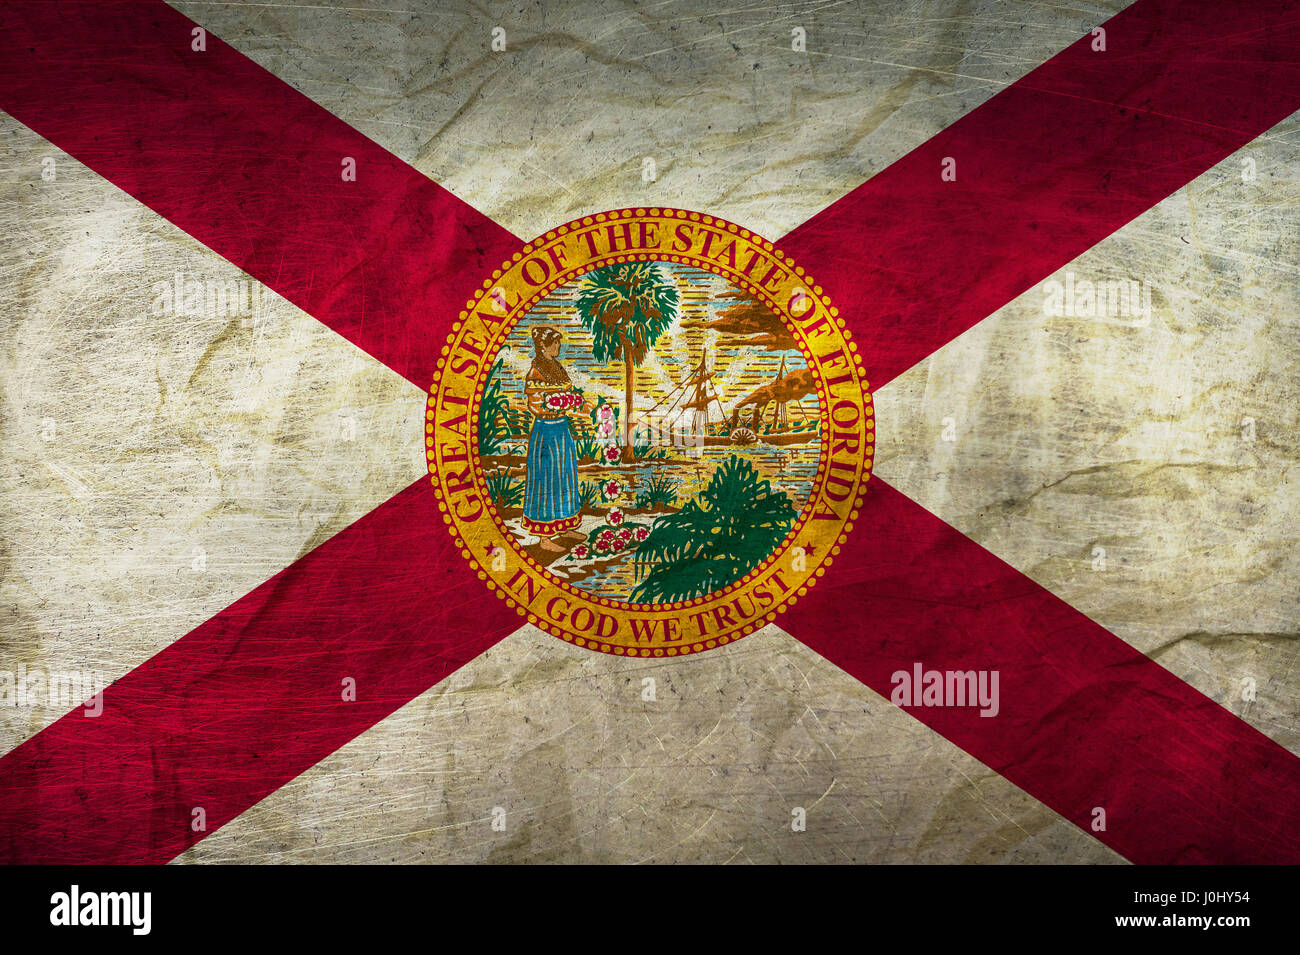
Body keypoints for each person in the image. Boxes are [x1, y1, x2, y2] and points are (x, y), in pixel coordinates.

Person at [522, 326, 585, 552]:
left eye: (559, 343)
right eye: (555, 343)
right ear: (543, 346)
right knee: (546, 479)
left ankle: (565, 526)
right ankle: (544, 538)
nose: (559, 347)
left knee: (565, 476)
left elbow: (568, 393)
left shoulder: (558, 367)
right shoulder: (536, 371)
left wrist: (571, 402)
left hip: (561, 429)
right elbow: (536, 404)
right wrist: (557, 403)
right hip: (546, 431)